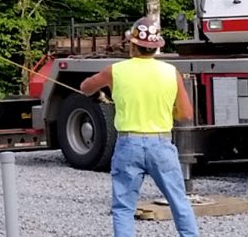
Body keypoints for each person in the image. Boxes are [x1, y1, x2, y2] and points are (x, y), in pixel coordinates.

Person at [80, 17, 198, 237]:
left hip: (128, 144)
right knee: (179, 202)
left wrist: (100, 92)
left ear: (132, 45)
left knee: (124, 207)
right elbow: (186, 114)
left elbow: (85, 87)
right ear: (156, 47)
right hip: (161, 144)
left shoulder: (115, 70)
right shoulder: (171, 72)